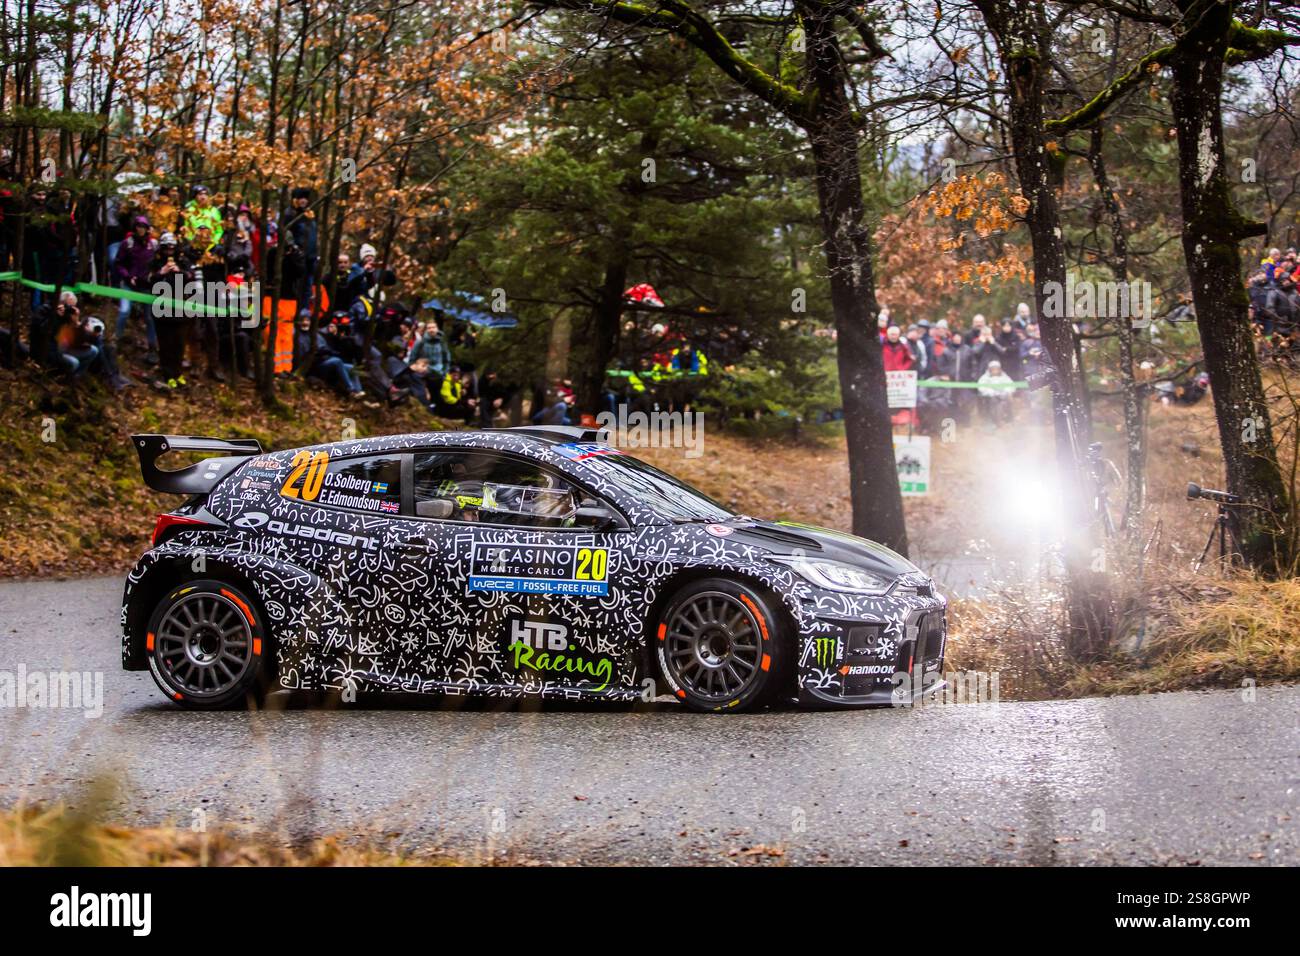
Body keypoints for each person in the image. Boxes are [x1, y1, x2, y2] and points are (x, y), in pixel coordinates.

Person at [149, 231, 195, 390]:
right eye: (166, 248)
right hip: (162, 310)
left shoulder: (183, 261)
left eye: (172, 248)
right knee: (166, 343)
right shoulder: (155, 262)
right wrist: (161, 273)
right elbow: (148, 280)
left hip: (181, 310)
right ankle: (168, 374)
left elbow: (192, 277)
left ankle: (178, 373)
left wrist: (178, 272)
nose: (169, 251)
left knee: (179, 343)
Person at [112, 214, 159, 363]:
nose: (141, 230)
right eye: (138, 227)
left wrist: (154, 275)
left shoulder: (153, 244)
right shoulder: (128, 243)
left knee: (150, 317)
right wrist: (127, 276)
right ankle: (115, 340)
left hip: (146, 285)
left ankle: (153, 347)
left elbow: (157, 263)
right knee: (124, 311)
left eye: (144, 227)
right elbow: (118, 263)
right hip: (129, 284)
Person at [294, 311, 365, 399]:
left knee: (351, 367)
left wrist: (328, 351)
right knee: (337, 361)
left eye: (307, 320)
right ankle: (351, 389)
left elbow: (325, 347)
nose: (305, 323)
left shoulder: (315, 334)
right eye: (303, 320)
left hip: (323, 360)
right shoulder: (297, 335)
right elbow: (305, 353)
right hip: (314, 366)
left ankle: (358, 390)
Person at [977, 360, 1015, 427]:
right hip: (991, 396)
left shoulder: (1004, 376)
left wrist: (1006, 391)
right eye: (993, 369)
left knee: (1007, 399)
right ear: (990, 369)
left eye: (996, 369)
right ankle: (995, 421)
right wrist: (991, 392)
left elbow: (1011, 385)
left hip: (1003, 395)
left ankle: (1008, 419)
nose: (995, 370)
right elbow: (981, 387)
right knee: (994, 402)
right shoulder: (985, 377)